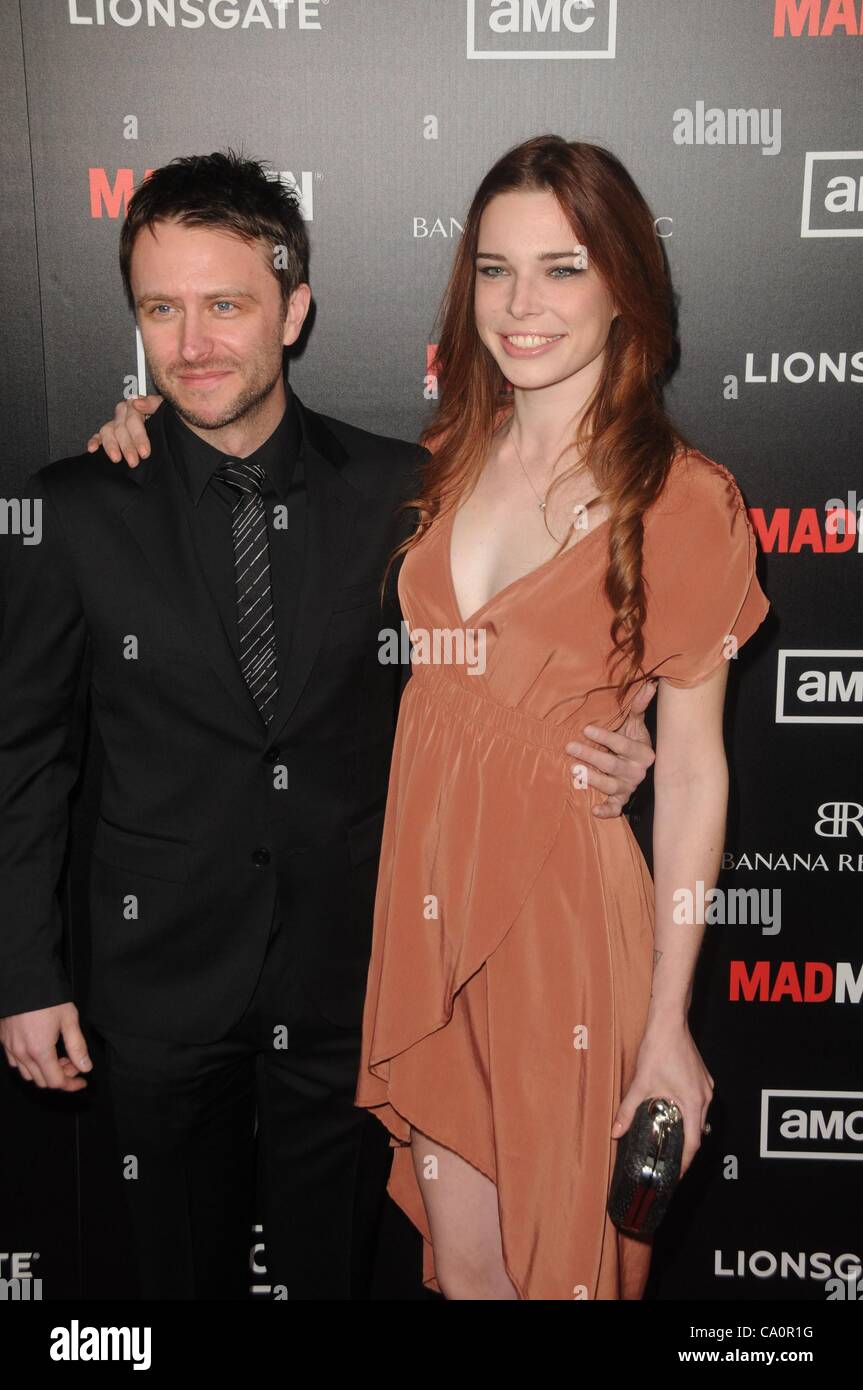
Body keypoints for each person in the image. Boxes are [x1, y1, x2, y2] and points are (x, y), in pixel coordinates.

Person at [0, 149, 655, 1301]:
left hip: (359, 983)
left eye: (226, 305)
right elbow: (26, 760)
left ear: (294, 311)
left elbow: (492, 686)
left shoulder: (411, 495)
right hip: (151, 992)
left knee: (336, 1279)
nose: (193, 342)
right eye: (161, 308)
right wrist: (22, 972)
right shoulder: (76, 507)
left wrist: (616, 738)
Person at [351, 135, 771, 1301]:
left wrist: (665, 1029)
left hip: (561, 919)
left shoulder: (681, 503)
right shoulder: (442, 458)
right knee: (469, 1276)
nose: (519, 305)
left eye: (562, 268)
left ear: (625, 285)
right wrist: (146, 424)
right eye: (494, 270)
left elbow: (689, 774)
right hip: (428, 907)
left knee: (564, 1273)